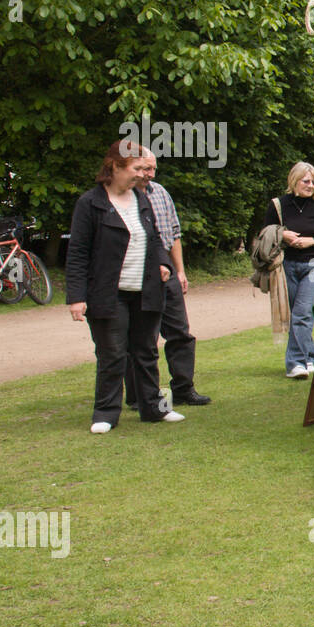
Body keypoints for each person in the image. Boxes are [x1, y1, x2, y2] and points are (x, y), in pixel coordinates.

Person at [66, 140, 185, 433]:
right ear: (116, 167)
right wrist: (76, 298)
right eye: (136, 168)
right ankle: (105, 414)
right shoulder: (90, 203)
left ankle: (155, 409)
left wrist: (164, 264)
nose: (142, 175)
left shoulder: (142, 199)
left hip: (145, 291)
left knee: (146, 352)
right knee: (113, 354)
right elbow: (78, 252)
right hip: (108, 294)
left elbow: (155, 239)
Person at [123, 151, 210, 410]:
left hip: (168, 272)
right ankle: (140, 395)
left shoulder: (160, 192)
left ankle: (183, 389)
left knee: (180, 333)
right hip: (139, 274)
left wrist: (180, 270)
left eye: (153, 168)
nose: (149, 174)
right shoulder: (122, 197)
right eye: (145, 168)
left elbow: (174, 234)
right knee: (141, 338)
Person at [264, 162, 314, 379]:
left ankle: (295, 363)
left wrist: (311, 241)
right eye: (306, 181)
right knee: (297, 314)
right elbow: (265, 231)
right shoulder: (278, 205)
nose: (311, 185)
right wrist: (283, 235)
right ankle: (309, 357)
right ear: (294, 181)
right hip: (287, 265)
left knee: (302, 313)